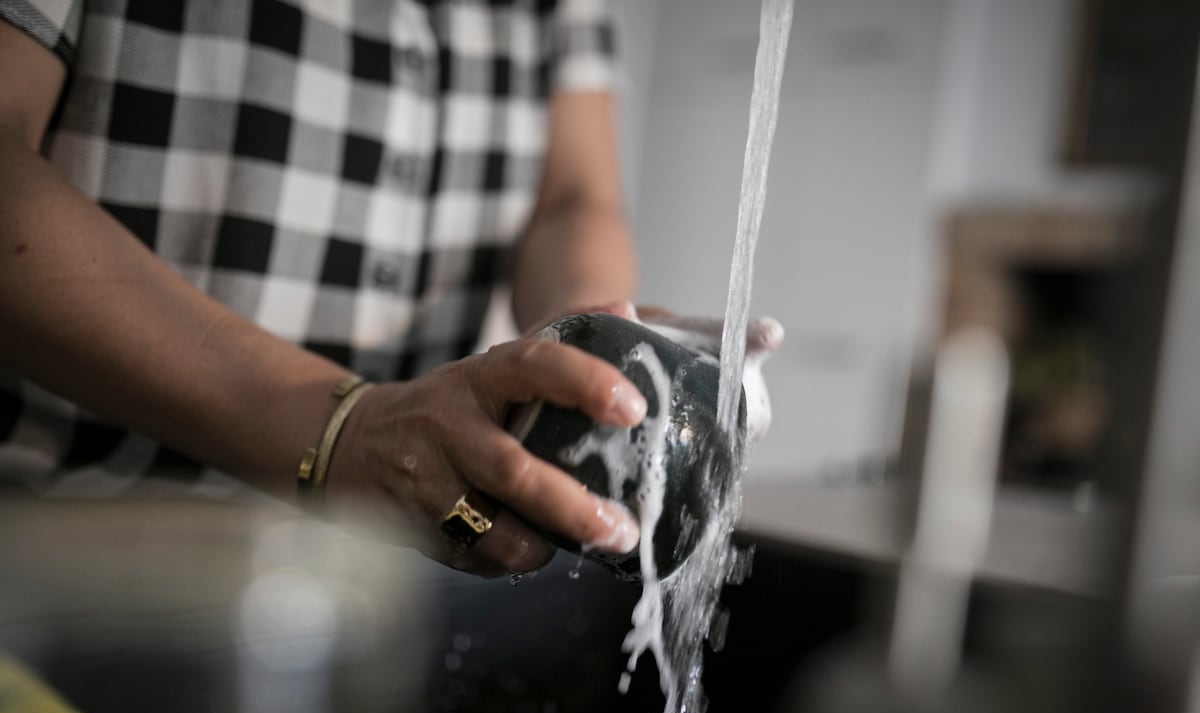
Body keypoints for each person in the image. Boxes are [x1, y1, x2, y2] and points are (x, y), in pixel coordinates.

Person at [0, 0, 780, 579]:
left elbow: (572, 199)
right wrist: (339, 427)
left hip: (371, 581)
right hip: (61, 560)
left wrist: (592, 348)